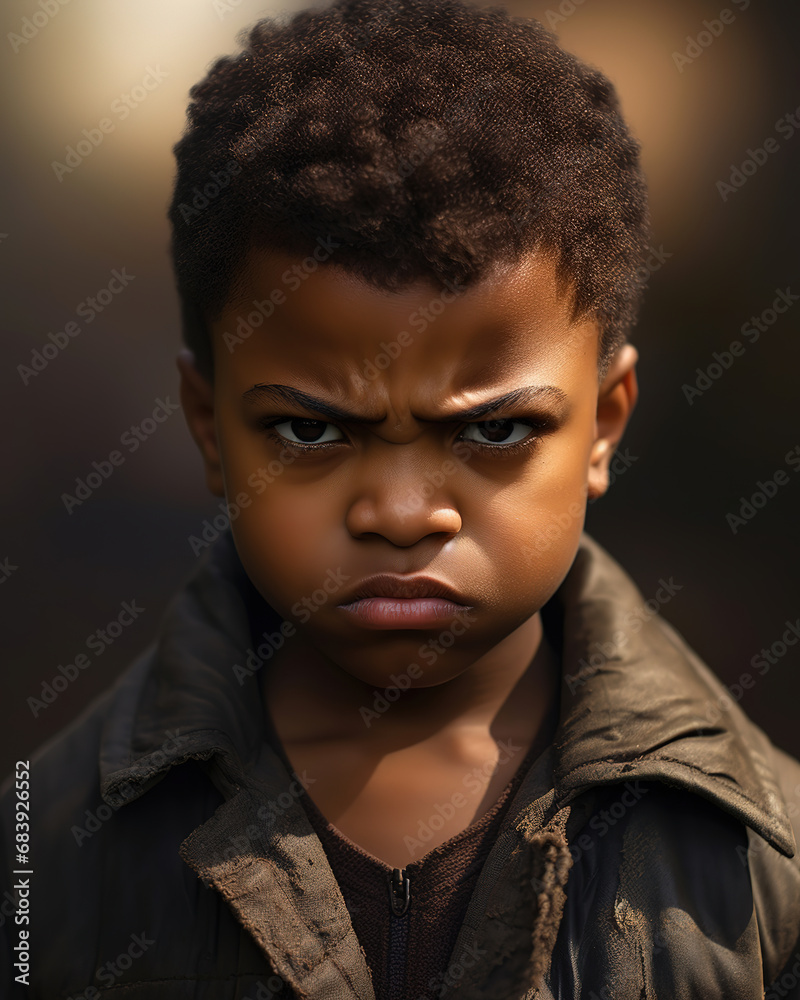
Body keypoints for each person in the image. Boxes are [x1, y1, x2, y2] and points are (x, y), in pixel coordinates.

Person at [3, 0, 800, 996]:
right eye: (309, 429)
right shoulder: (44, 851)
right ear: (209, 427)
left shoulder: (766, 861)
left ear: (602, 424)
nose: (400, 511)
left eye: (494, 430)